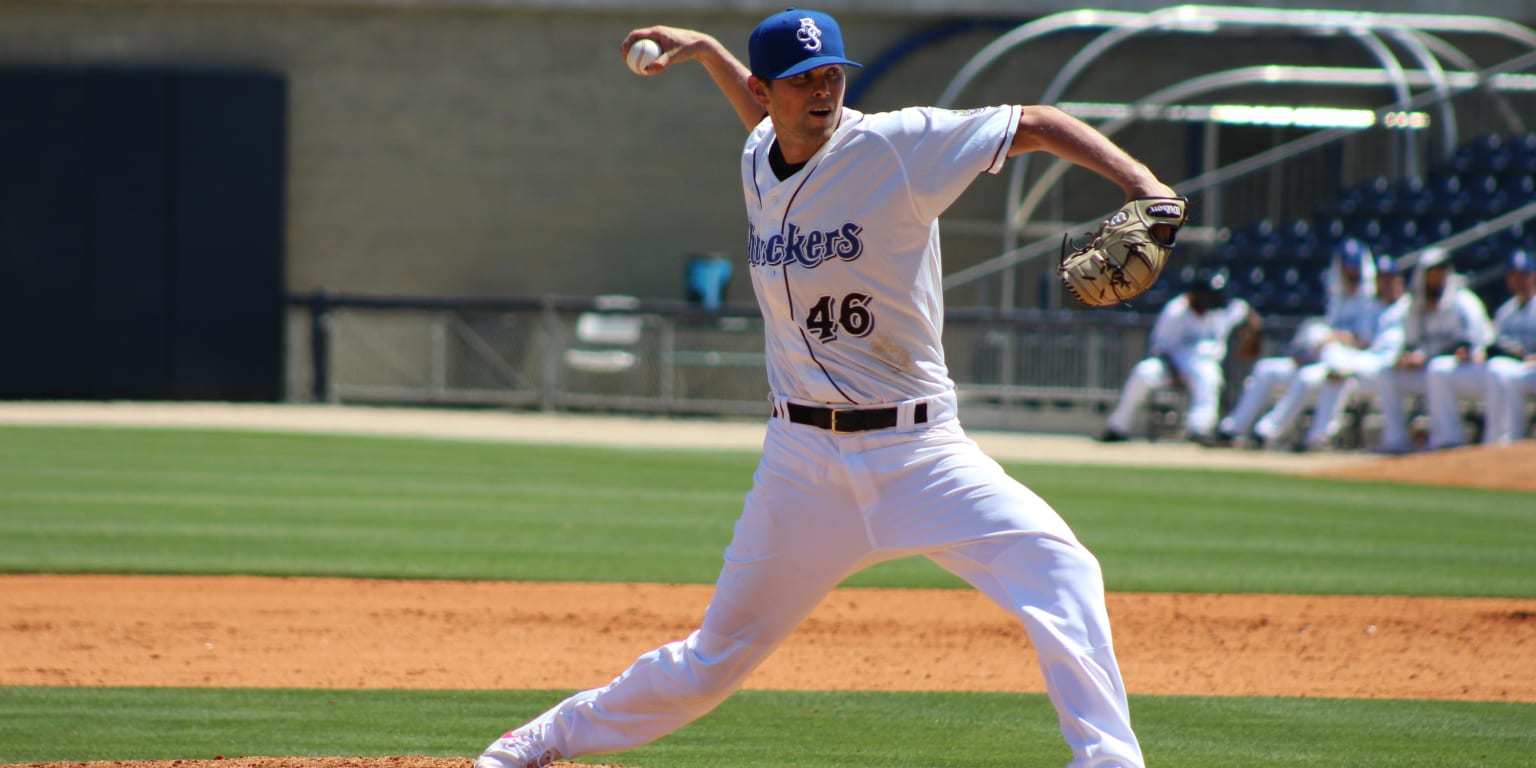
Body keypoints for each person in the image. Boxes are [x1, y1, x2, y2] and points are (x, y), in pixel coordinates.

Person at [476, 9, 1177, 768]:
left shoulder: (896, 146)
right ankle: (537, 743)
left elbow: (1034, 122)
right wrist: (711, 52)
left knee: (1062, 569)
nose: (822, 90)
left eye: (833, 75)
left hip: (922, 454)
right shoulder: (758, 155)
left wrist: (1146, 186)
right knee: (714, 659)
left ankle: (1110, 761)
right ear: (765, 89)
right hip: (801, 466)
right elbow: (771, 135)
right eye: (804, 79)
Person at [1214, 238, 1377, 446]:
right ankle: (1232, 428)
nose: (1350, 272)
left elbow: (1364, 340)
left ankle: (1269, 433)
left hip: (1350, 364)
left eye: (1354, 268)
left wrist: (1331, 339)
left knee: (1306, 377)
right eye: (1346, 267)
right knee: (1266, 369)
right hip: (1323, 357)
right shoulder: (1338, 296)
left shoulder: (1371, 299)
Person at [1249, 254, 1408, 451]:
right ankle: (1305, 438)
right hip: (1353, 364)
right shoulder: (1371, 305)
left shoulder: (1407, 307)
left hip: (1380, 369)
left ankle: (1316, 437)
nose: (1385, 283)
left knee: (1334, 369)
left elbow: (1367, 343)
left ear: (1399, 280)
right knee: (1313, 375)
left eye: (1389, 278)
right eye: (1382, 278)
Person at [1098, 270, 1262, 444]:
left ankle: (1200, 429)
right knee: (1143, 372)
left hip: (1204, 364)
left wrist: (1253, 331)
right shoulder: (1176, 310)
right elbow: (1161, 348)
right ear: (1198, 294)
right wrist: (1176, 375)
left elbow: (1248, 313)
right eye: (1210, 295)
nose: (1215, 299)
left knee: (1208, 375)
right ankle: (1118, 427)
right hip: (1172, 364)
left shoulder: (1224, 309)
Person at [1364, 247, 1493, 453]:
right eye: (1432, 274)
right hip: (1431, 371)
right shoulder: (1415, 307)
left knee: (1438, 368)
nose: (1436, 279)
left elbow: (1471, 346)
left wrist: (1424, 358)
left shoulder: (1463, 302)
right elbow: (1408, 342)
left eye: (1440, 273)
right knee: (1386, 373)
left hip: (1467, 370)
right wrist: (1404, 358)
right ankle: (1397, 439)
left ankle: (1450, 439)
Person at [1479, 249, 1536, 444]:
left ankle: (1514, 438)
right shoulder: (1504, 312)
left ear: (1533, 276)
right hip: (1518, 368)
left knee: (1510, 375)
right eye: (1514, 275)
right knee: (1498, 370)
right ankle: (1500, 439)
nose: (1519, 280)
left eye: (1523, 275)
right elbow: (1495, 344)